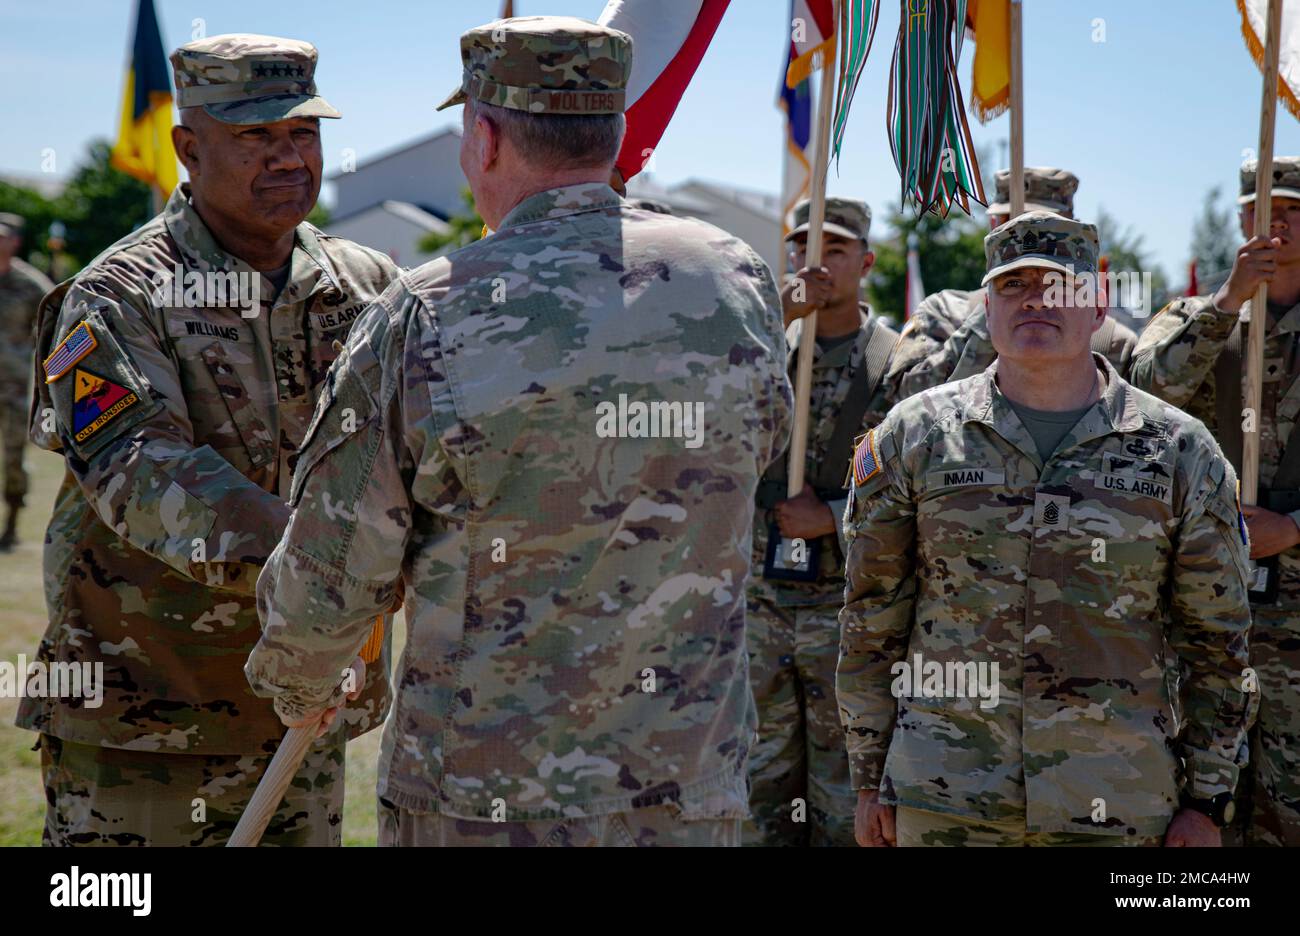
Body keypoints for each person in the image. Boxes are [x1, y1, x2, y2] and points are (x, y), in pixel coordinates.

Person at [245, 15, 793, 848]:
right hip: (687, 778)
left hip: (485, 791)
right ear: (610, 132)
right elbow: (763, 444)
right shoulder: (734, 276)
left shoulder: (426, 307)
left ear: (486, 138)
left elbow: (334, 568)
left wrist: (298, 682)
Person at [18, 34, 398, 846]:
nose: (288, 157)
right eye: (255, 137)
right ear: (187, 148)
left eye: (303, 133)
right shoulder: (116, 295)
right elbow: (140, 474)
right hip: (146, 716)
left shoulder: (370, 286)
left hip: (304, 707)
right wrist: (329, 563)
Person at [840, 211, 1254, 847]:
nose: (1035, 299)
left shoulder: (1178, 450)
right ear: (987, 305)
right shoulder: (913, 435)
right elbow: (872, 618)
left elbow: (1216, 640)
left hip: (1117, 803)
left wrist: (1208, 800)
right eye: (1012, 285)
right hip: (947, 795)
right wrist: (868, 778)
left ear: (1098, 304)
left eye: (1059, 285)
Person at [1129, 156, 1300, 847]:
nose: (1276, 224)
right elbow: (1146, 400)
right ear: (1238, 223)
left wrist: (1292, 528)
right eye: (1260, 211)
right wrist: (1228, 301)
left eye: (1291, 211)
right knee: (1200, 816)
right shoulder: (1197, 317)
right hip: (1207, 616)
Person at [745, 197, 897, 846]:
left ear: (864, 263)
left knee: (844, 797)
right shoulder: (757, 349)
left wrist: (833, 517)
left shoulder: (897, 362)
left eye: (833, 251)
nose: (816, 265)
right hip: (758, 607)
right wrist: (772, 320)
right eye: (801, 250)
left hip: (847, 610)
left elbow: (913, 488)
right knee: (756, 789)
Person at [889, 167, 1138, 399]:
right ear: (993, 225)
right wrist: (990, 322)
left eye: (1044, 220)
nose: (1024, 230)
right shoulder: (944, 313)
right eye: (1009, 219)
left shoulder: (1111, 339)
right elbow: (903, 398)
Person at [0, 212, 53, 549]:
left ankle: (12, 524)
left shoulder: (30, 283)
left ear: (14, 242)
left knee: (13, 456)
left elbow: (59, 318)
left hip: (17, 384)